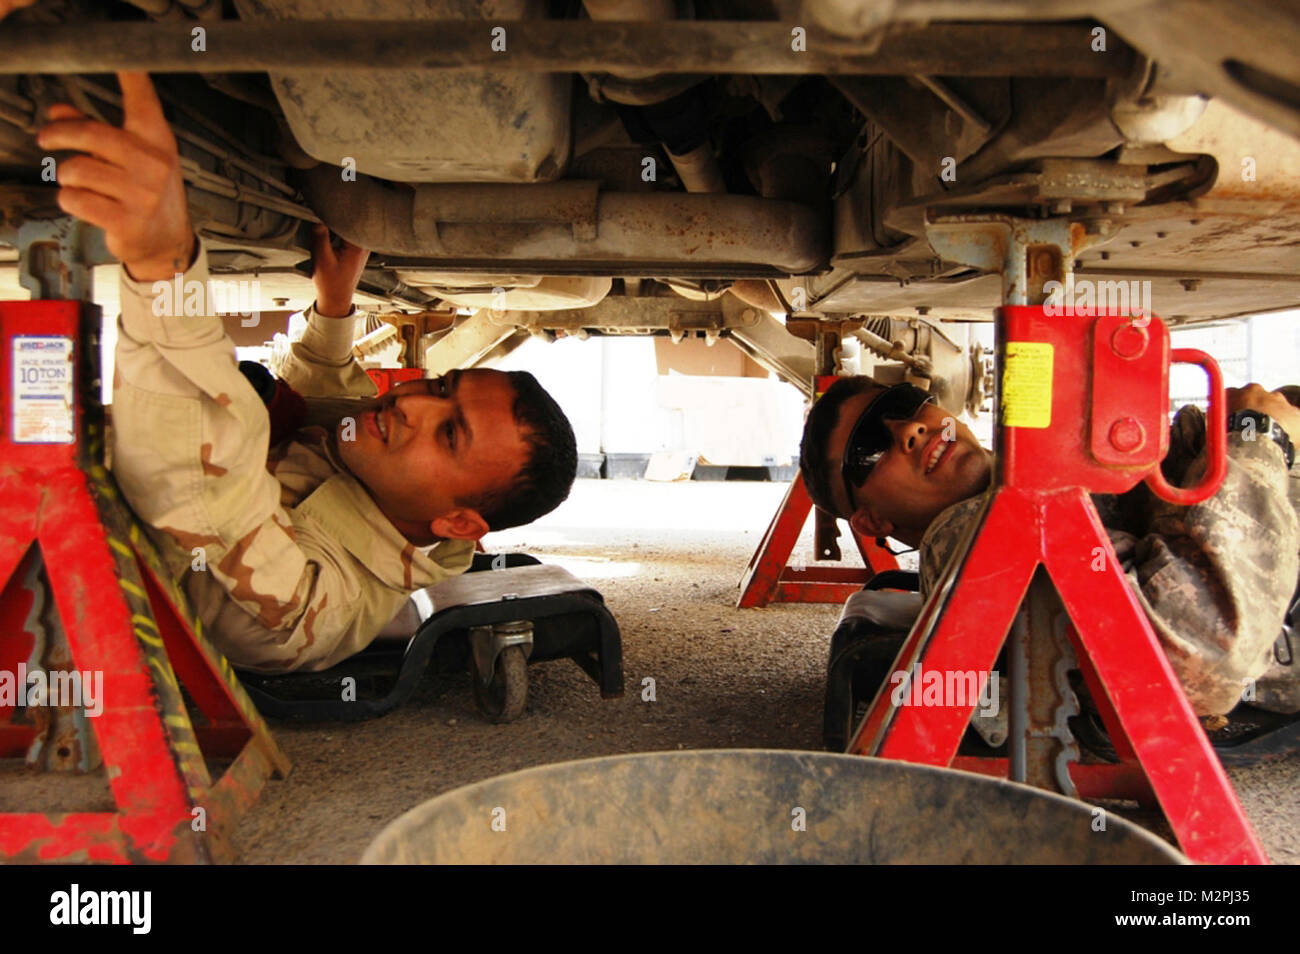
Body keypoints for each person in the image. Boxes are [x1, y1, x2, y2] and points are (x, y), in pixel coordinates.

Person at [36, 72, 577, 672]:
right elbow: (333, 404)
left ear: (456, 522)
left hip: (38, 544)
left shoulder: (315, 606)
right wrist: (335, 308)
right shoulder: (394, 492)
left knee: (242, 404)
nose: (411, 403)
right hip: (59, 467)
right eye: (443, 387)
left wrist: (164, 268)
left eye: (449, 434)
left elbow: (203, 484)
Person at [799, 375, 1300, 719]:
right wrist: (1255, 438)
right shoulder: (965, 535)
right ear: (872, 520)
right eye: (869, 450)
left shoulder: (1029, 485)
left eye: (900, 405)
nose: (909, 430)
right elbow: (1207, 646)